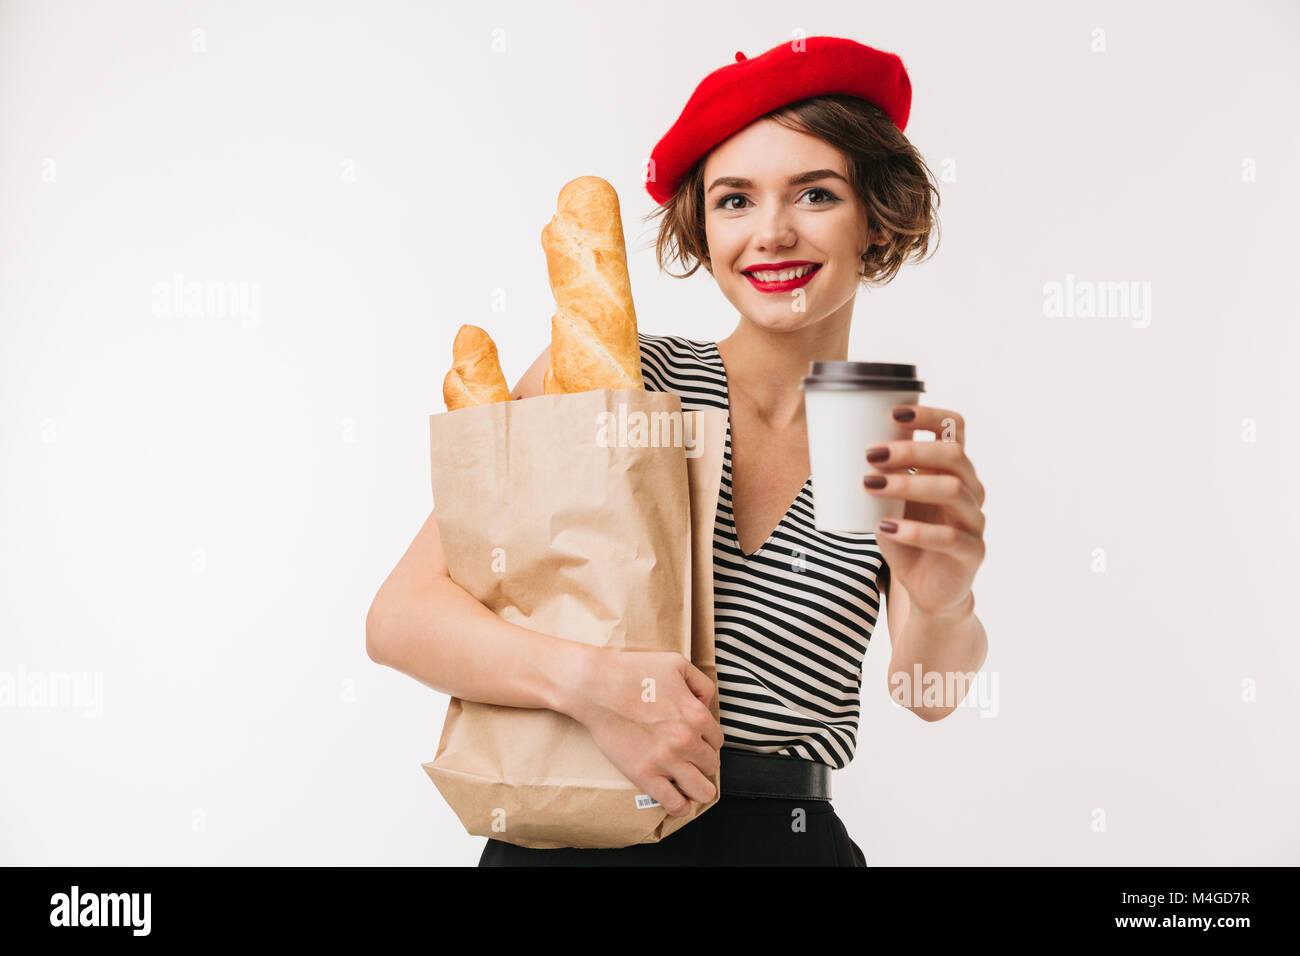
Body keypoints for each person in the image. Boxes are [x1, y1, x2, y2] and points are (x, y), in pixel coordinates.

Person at [367, 35, 989, 867]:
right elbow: (400, 619)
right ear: (702, 225)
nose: (771, 233)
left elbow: (928, 694)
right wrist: (591, 687)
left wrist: (944, 601)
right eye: (735, 200)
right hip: (571, 834)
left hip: (782, 845)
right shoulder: (614, 378)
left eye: (814, 193)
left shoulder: (883, 430)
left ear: (876, 215)